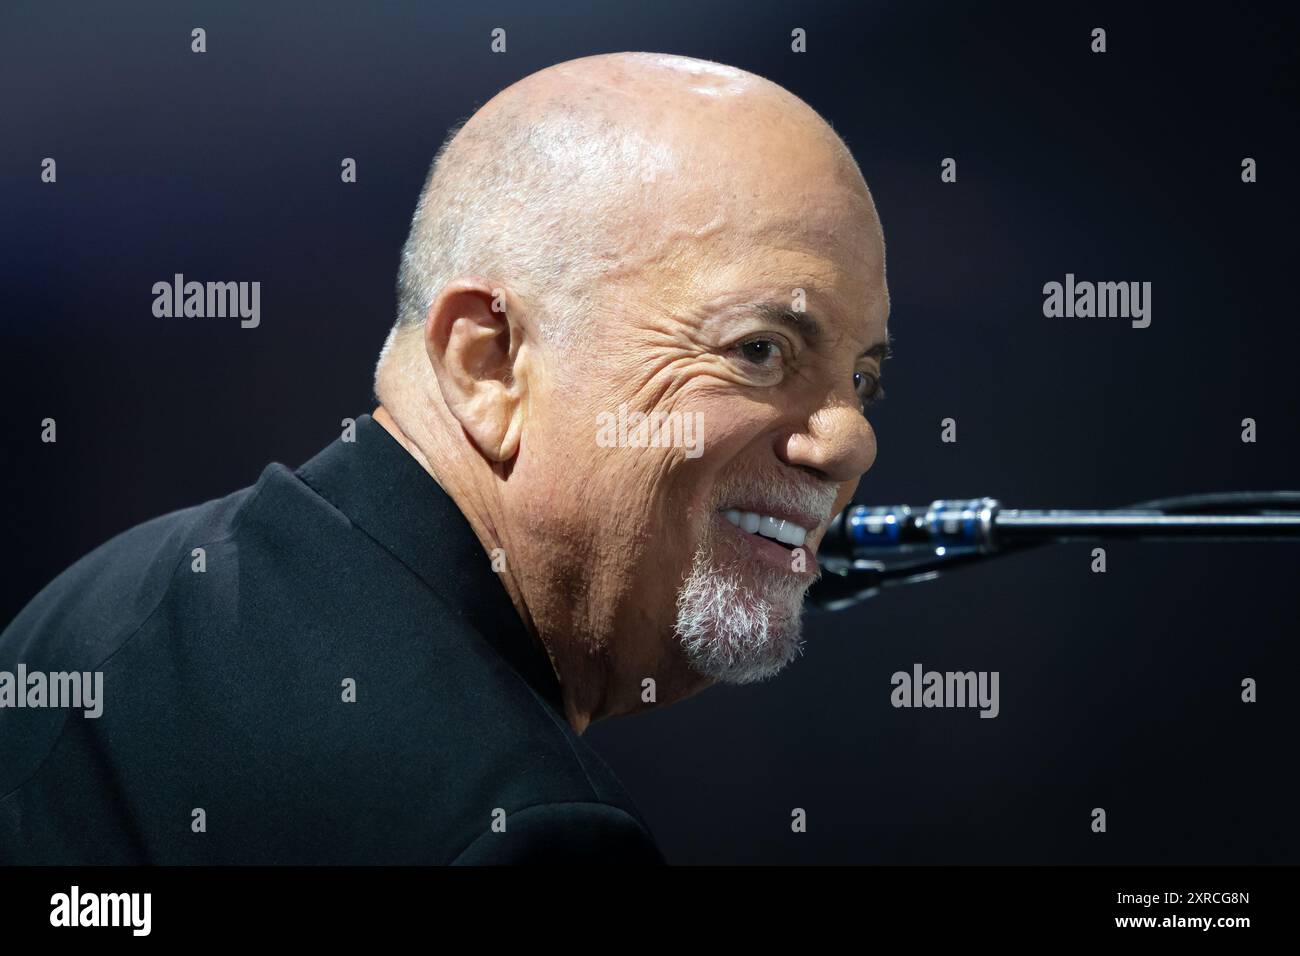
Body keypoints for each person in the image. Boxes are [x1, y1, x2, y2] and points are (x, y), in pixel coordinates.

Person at [0, 52, 891, 864]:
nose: (850, 440)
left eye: (863, 378)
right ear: (488, 362)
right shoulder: (526, 834)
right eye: (760, 350)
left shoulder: (101, 607)